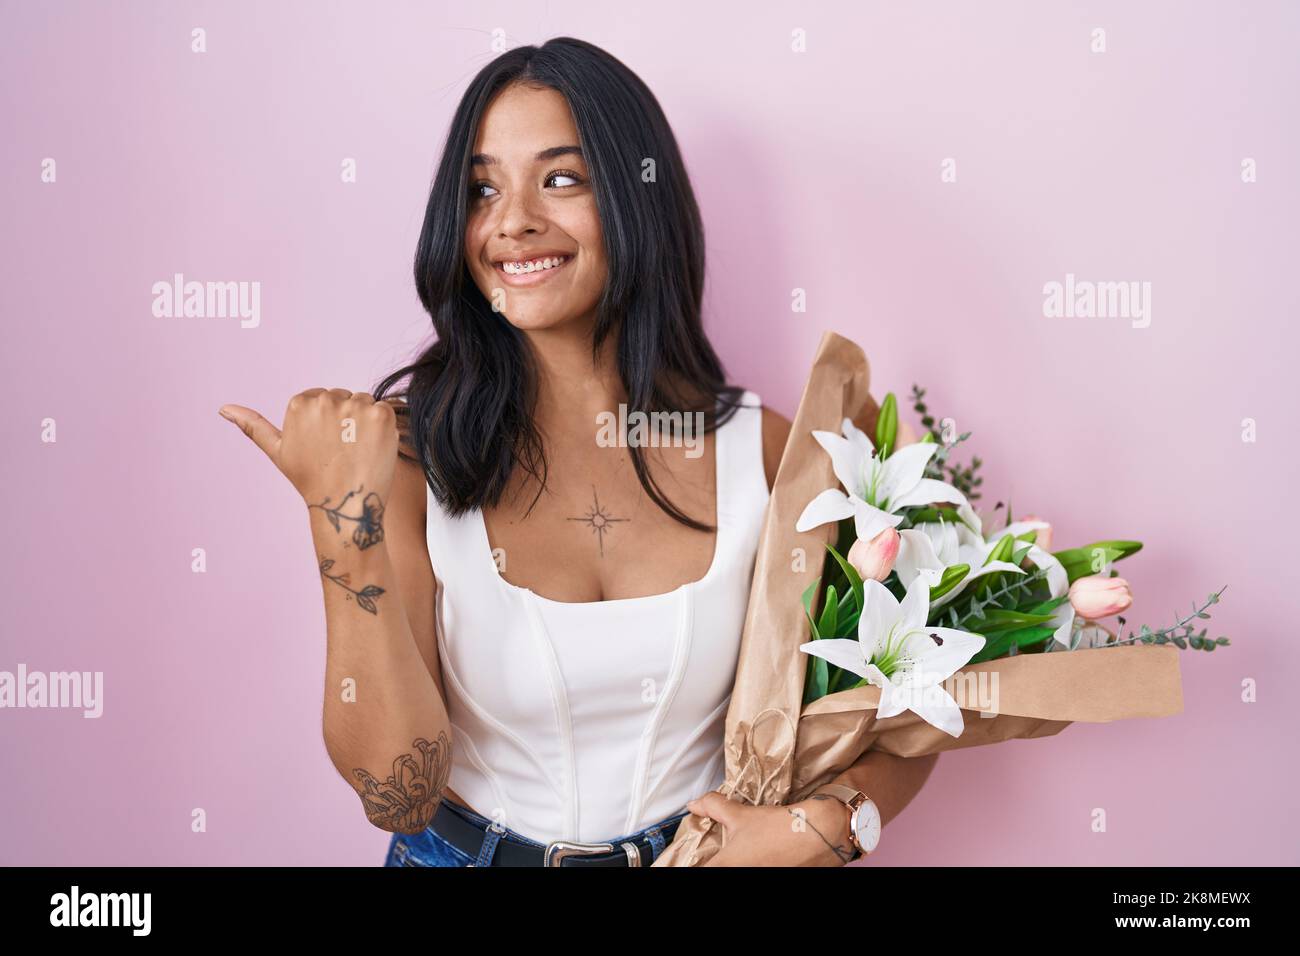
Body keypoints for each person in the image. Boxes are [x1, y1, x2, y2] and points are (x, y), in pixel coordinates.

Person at [219, 36, 937, 867]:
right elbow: (398, 793)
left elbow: (910, 708)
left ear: (640, 200)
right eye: (482, 189)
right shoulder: (403, 456)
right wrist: (343, 520)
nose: (513, 221)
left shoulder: (771, 452)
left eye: (561, 178)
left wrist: (822, 829)